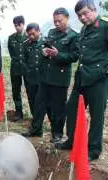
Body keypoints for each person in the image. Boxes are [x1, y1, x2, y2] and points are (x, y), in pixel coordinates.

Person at [55, 0, 108, 161]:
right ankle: (72, 140)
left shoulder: (107, 26)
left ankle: (93, 149)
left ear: (93, 9)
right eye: (79, 15)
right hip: (82, 76)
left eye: (85, 13)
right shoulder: (85, 29)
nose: (83, 17)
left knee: (97, 115)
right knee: (72, 109)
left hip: (99, 78)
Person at [22, 8, 79, 144]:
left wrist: (58, 55)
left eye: (60, 21)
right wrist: (45, 52)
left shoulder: (73, 36)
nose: (57, 24)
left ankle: (57, 133)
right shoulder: (51, 32)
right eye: (55, 21)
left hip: (60, 78)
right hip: (46, 76)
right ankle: (36, 129)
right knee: (39, 103)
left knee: (58, 107)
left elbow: (74, 56)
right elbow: (46, 45)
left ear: (67, 18)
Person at [8, 15, 27, 121]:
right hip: (15, 68)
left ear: (23, 24)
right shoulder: (11, 38)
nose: (17, 27)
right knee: (16, 90)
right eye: (15, 26)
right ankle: (19, 112)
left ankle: (34, 112)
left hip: (27, 68)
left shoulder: (29, 36)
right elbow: (12, 53)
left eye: (19, 25)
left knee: (30, 90)